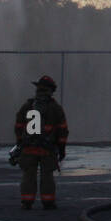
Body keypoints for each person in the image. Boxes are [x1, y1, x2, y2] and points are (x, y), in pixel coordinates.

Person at [14, 75, 68, 210]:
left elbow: (19, 125)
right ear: (50, 90)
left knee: (28, 175)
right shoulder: (55, 108)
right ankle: (48, 202)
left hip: (28, 148)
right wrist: (61, 148)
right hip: (47, 149)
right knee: (47, 175)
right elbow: (63, 129)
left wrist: (20, 141)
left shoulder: (28, 105)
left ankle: (27, 201)